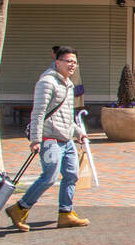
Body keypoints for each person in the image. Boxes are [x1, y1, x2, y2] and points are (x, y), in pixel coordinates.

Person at [5, 47, 90, 231]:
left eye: (74, 62)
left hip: (66, 140)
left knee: (71, 175)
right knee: (49, 178)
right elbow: (38, 113)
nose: (72, 65)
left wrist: (77, 132)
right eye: (68, 61)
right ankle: (20, 208)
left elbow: (66, 115)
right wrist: (35, 140)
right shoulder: (47, 82)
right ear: (57, 62)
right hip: (49, 139)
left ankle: (65, 213)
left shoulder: (68, 84)